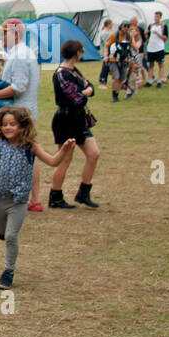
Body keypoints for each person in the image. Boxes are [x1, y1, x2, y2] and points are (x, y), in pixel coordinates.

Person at [0, 108, 74, 288]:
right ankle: (2, 233)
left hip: (19, 201)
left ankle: (8, 272)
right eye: (5, 124)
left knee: (11, 237)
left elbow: (52, 161)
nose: (8, 127)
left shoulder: (30, 147)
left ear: (22, 126)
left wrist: (65, 150)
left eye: (12, 124)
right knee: (2, 233)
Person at [0, 19, 43, 210]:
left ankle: (30, 198)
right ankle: (29, 198)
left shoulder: (20, 55)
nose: (1, 37)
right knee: (25, 154)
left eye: (4, 33)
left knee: (27, 155)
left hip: (20, 113)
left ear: (15, 34)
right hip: (20, 112)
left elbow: (19, 86)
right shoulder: (19, 53)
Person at [48, 39, 101, 209]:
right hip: (65, 120)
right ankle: (55, 196)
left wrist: (85, 91)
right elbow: (76, 98)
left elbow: (88, 87)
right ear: (76, 53)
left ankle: (83, 193)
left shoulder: (74, 71)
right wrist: (86, 92)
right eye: (81, 51)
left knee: (94, 154)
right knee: (65, 159)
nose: (82, 54)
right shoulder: (62, 73)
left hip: (79, 119)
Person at [146, 11, 167, 86]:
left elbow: (165, 37)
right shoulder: (151, 25)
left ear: (160, 17)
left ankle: (159, 81)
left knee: (160, 64)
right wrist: (146, 33)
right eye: (155, 16)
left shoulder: (163, 26)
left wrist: (158, 34)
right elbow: (147, 37)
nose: (156, 18)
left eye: (157, 16)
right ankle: (150, 80)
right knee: (151, 64)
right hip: (151, 47)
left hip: (159, 47)